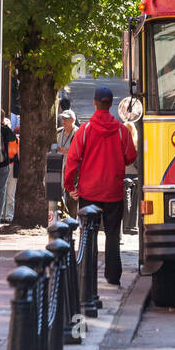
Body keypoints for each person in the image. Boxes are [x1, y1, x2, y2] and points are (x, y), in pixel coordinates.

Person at [64, 86, 136, 286]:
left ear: (95, 103)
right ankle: (113, 275)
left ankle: (87, 276)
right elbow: (131, 157)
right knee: (112, 235)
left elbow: (72, 158)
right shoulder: (121, 130)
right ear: (111, 104)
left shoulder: (85, 130)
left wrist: (69, 185)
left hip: (89, 191)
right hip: (113, 191)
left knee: (89, 235)